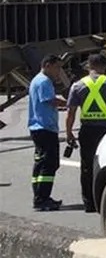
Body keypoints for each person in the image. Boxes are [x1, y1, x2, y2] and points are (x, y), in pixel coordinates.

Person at [64, 53, 106, 213]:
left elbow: (70, 113)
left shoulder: (77, 85)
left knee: (87, 166)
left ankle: (89, 203)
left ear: (88, 66)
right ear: (105, 66)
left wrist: (69, 133)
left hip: (88, 130)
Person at [27, 55, 67, 212]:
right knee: (49, 164)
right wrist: (68, 103)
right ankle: (43, 198)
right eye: (57, 67)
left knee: (40, 163)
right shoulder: (44, 81)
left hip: (37, 128)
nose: (59, 72)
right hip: (45, 128)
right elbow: (50, 100)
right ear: (48, 65)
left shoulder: (36, 80)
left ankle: (39, 196)